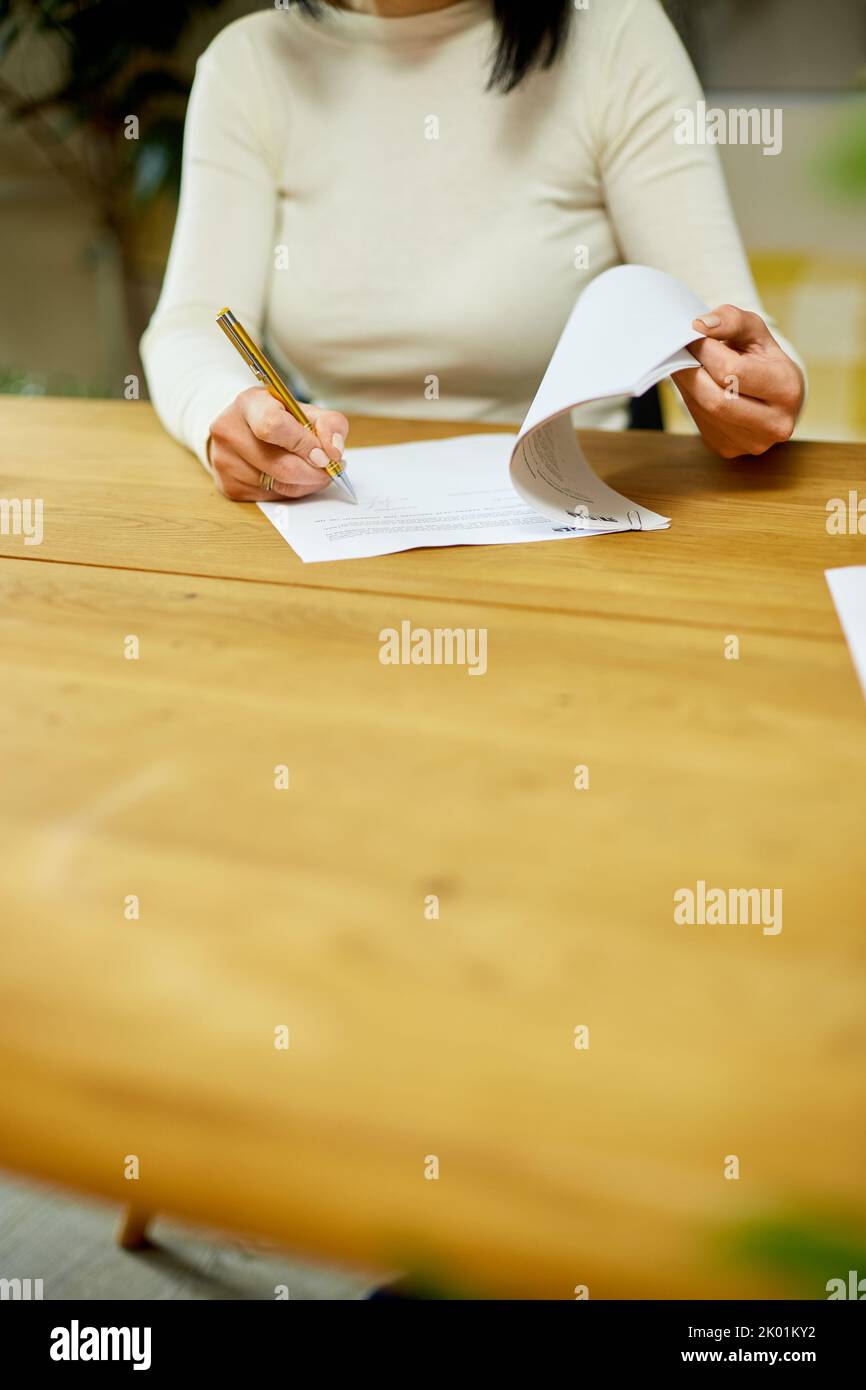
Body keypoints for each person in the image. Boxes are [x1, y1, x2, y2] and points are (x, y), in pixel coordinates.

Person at [141, 0, 806, 503]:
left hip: (583, 510)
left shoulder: (616, 34)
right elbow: (193, 322)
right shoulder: (251, 62)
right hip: (343, 507)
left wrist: (752, 391)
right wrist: (221, 410)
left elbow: (732, 326)